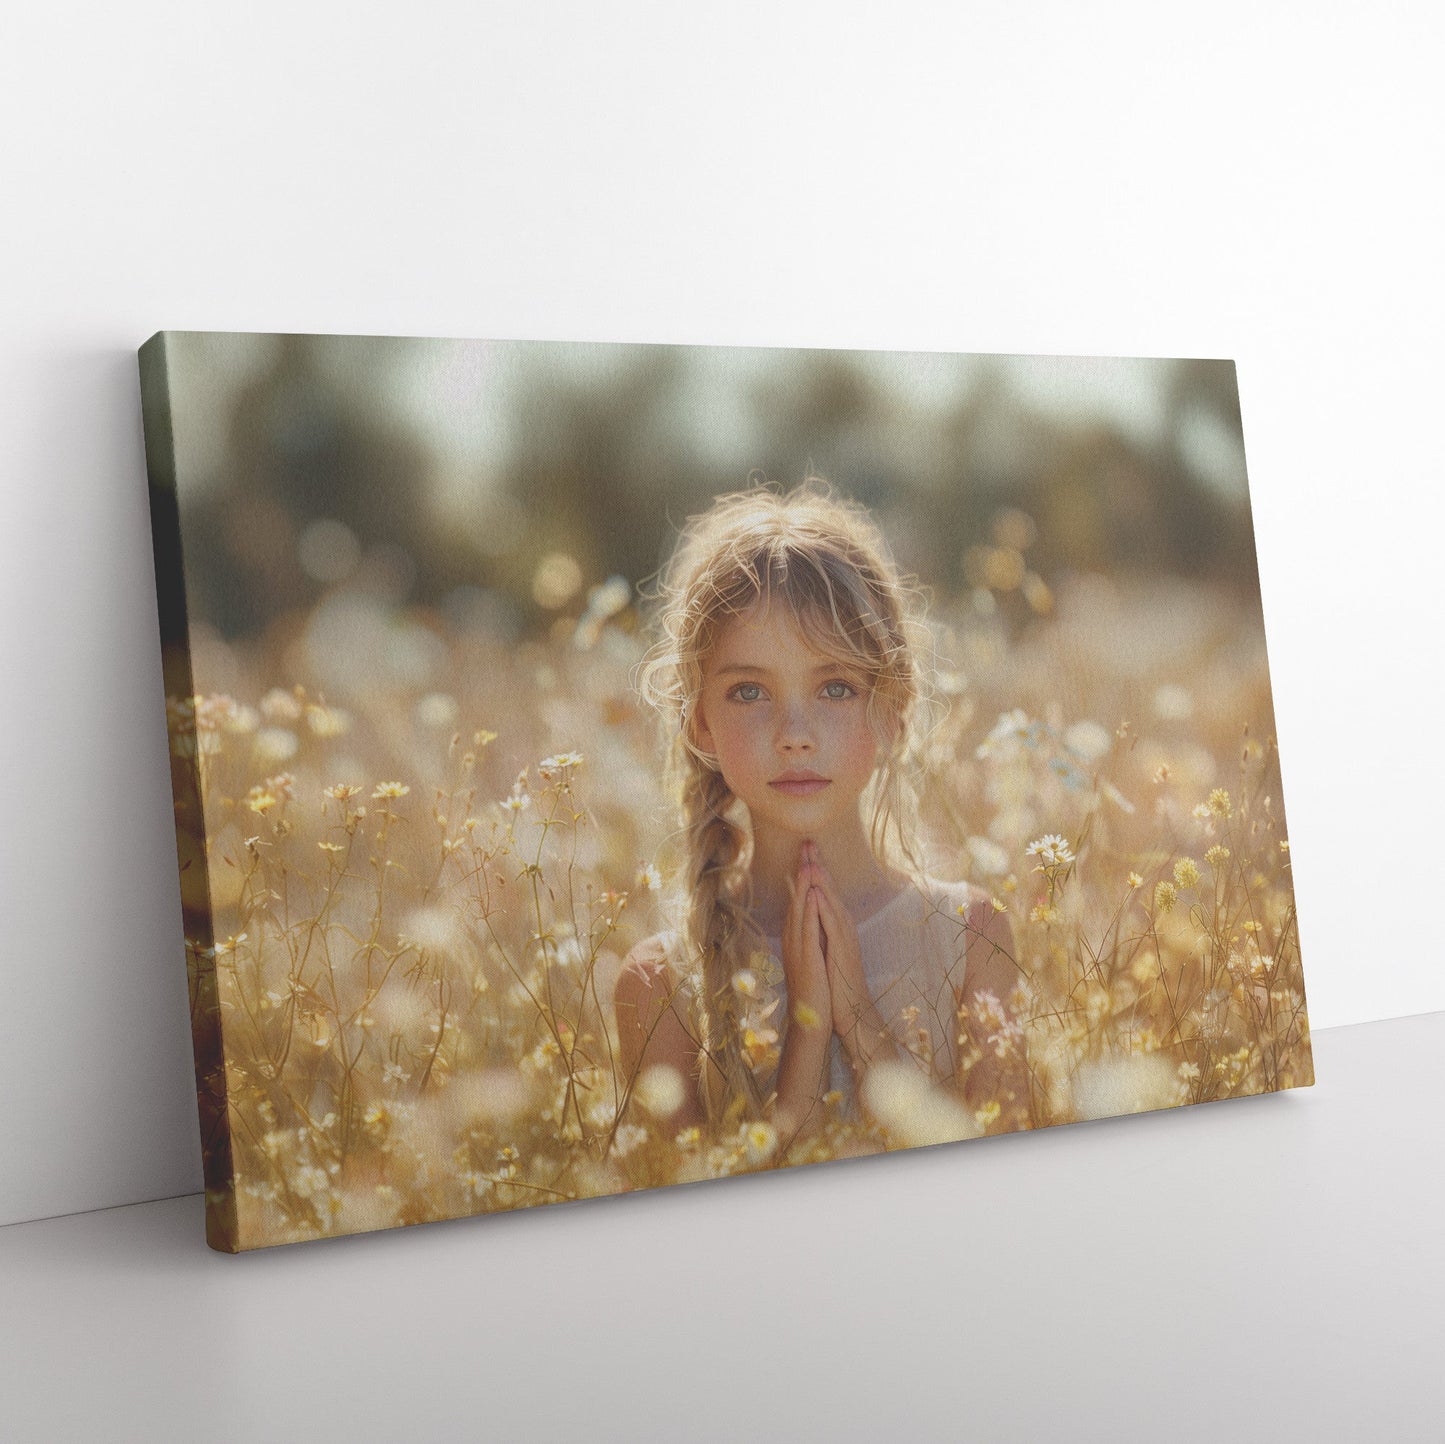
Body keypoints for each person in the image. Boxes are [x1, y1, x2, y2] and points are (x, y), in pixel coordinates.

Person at [613, 479, 1017, 1149]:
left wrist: (858, 1020)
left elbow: (1003, 1198)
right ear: (699, 723)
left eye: (834, 687)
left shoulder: (971, 939)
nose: (793, 732)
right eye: (749, 691)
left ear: (893, 711)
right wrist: (806, 1034)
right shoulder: (659, 985)